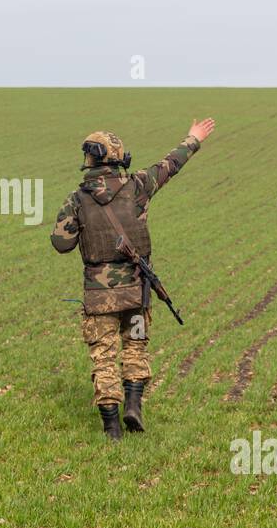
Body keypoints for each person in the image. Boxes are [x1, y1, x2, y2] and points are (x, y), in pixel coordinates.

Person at [50, 119, 215, 440]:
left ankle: (111, 429)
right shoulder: (139, 186)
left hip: (100, 298)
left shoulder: (76, 199)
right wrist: (194, 138)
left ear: (91, 160)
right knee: (136, 348)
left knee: (104, 356)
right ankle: (134, 407)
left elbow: (61, 244)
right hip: (137, 294)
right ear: (118, 157)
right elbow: (170, 164)